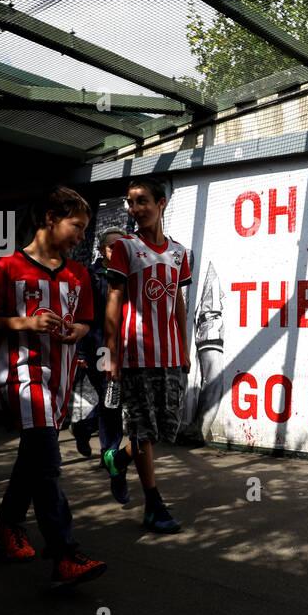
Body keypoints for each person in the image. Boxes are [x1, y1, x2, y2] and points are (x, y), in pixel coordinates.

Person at [0, 186, 106, 589]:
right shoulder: (8, 267)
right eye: (77, 226)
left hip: (60, 380)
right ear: (49, 218)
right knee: (48, 462)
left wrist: (76, 329)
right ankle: (64, 556)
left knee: (33, 460)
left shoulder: (78, 274)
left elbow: (85, 322)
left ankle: (6, 525)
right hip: (22, 375)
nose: (81, 236)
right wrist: (25, 323)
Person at [101, 178, 192, 533]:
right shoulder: (125, 247)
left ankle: (116, 459)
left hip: (170, 355)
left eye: (142, 201)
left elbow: (179, 302)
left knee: (162, 430)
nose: (135, 209)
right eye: (130, 203)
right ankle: (153, 506)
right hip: (135, 356)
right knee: (141, 430)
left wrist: (183, 347)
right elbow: (114, 299)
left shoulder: (179, 253)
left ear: (161, 203)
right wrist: (111, 354)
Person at [71, 227, 126, 501]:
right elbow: (83, 315)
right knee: (111, 401)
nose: (115, 250)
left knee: (111, 400)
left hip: (121, 348)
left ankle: (84, 428)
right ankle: (110, 454)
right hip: (97, 347)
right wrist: (81, 351)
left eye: (120, 246)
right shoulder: (91, 277)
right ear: (101, 249)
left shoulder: (126, 274)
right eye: (110, 246)